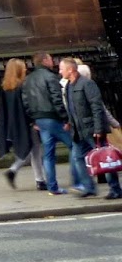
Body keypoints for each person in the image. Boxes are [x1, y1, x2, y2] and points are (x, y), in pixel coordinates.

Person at [22, 52, 77, 195]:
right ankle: (78, 180)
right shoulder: (51, 77)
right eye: (51, 59)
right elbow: (57, 100)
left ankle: (53, 186)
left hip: (40, 120)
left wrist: (33, 120)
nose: (53, 62)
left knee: (48, 153)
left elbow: (26, 102)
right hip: (53, 118)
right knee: (74, 145)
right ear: (45, 60)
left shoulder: (28, 79)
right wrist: (65, 118)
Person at [61, 57, 115, 198]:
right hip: (78, 131)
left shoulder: (87, 84)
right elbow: (72, 108)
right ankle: (89, 187)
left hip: (91, 129)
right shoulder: (68, 86)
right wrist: (69, 121)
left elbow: (96, 107)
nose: (60, 72)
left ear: (71, 70)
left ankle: (115, 189)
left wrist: (98, 129)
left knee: (104, 159)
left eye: (62, 69)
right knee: (78, 158)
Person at [0, 57, 45, 190]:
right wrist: (33, 120)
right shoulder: (23, 86)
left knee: (30, 149)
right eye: (23, 67)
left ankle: (15, 171)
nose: (25, 69)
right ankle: (39, 180)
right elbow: (28, 106)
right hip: (27, 123)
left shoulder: (6, 88)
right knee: (35, 150)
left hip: (15, 124)